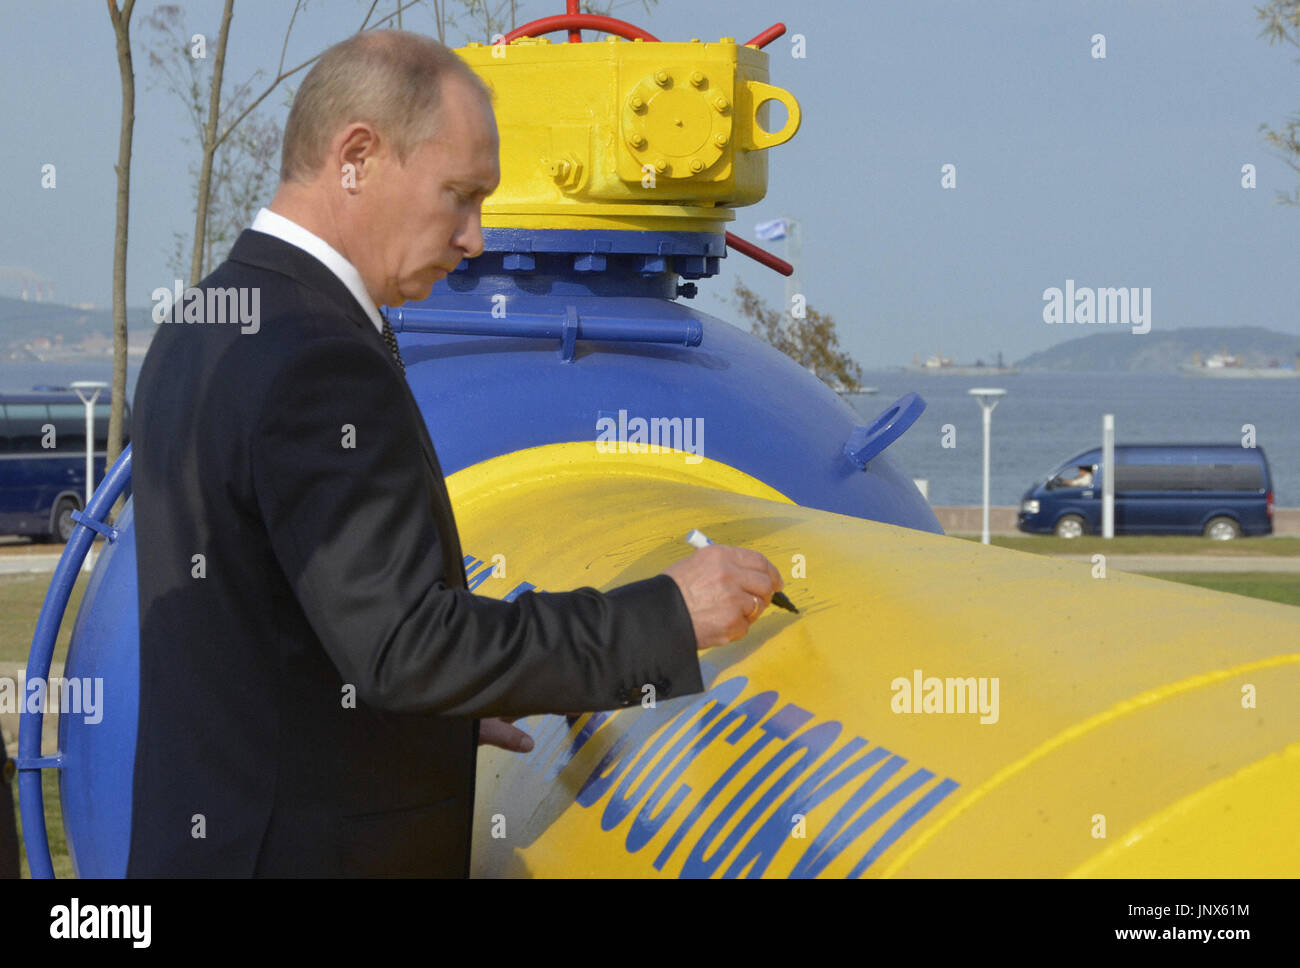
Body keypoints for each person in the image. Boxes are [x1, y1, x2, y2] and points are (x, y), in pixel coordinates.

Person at [127, 30, 782, 877]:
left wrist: (401, 726)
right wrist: (666, 617)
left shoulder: (209, 317)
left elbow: (261, 620)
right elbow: (406, 644)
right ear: (356, 155)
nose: (475, 237)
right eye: (460, 195)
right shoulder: (318, 354)